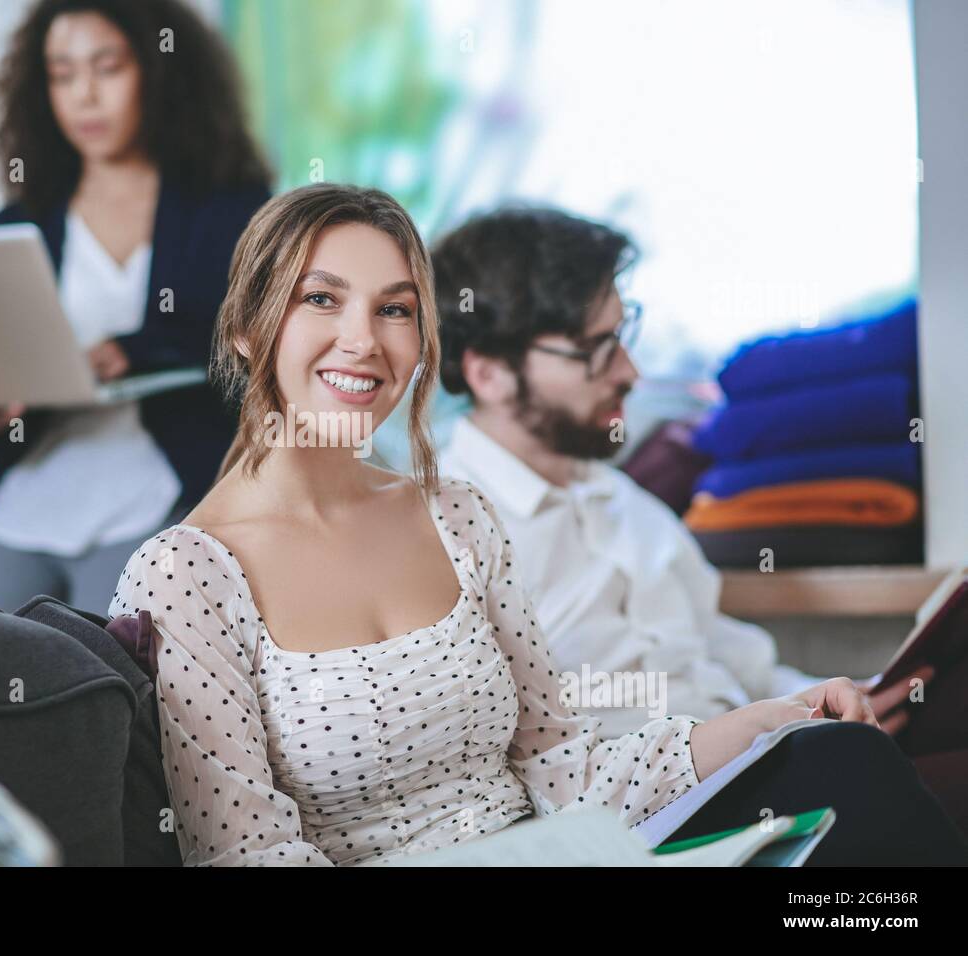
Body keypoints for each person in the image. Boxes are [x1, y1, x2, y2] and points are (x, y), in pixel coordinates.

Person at [107, 183, 967, 866]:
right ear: (249, 331)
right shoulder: (185, 574)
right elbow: (248, 857)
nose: (363, 340)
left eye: (397, 308)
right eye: (321, 300)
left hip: (566, 850)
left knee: (843, 764)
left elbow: (564, 768)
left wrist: (771, 717)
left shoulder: (454, 515)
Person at [431, 205, 966, 832]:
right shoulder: (445, 533)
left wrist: (848, 693)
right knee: (863, 782)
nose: (629, 372)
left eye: (623, 335)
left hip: (759, 759)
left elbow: (739, 661)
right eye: (595, 351)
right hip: (644, 812)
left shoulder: (628, 505)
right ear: (489, 373)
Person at [0, 0, 271, 614]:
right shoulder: (14, 228)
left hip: (158, 489)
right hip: (33, 495)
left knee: (109, 674)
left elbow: (255, 343)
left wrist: (135, 352)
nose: (84, 95)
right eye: (62, 75)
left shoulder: (229, 209)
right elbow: (16, 417)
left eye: (107, 68)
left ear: (157, 70)